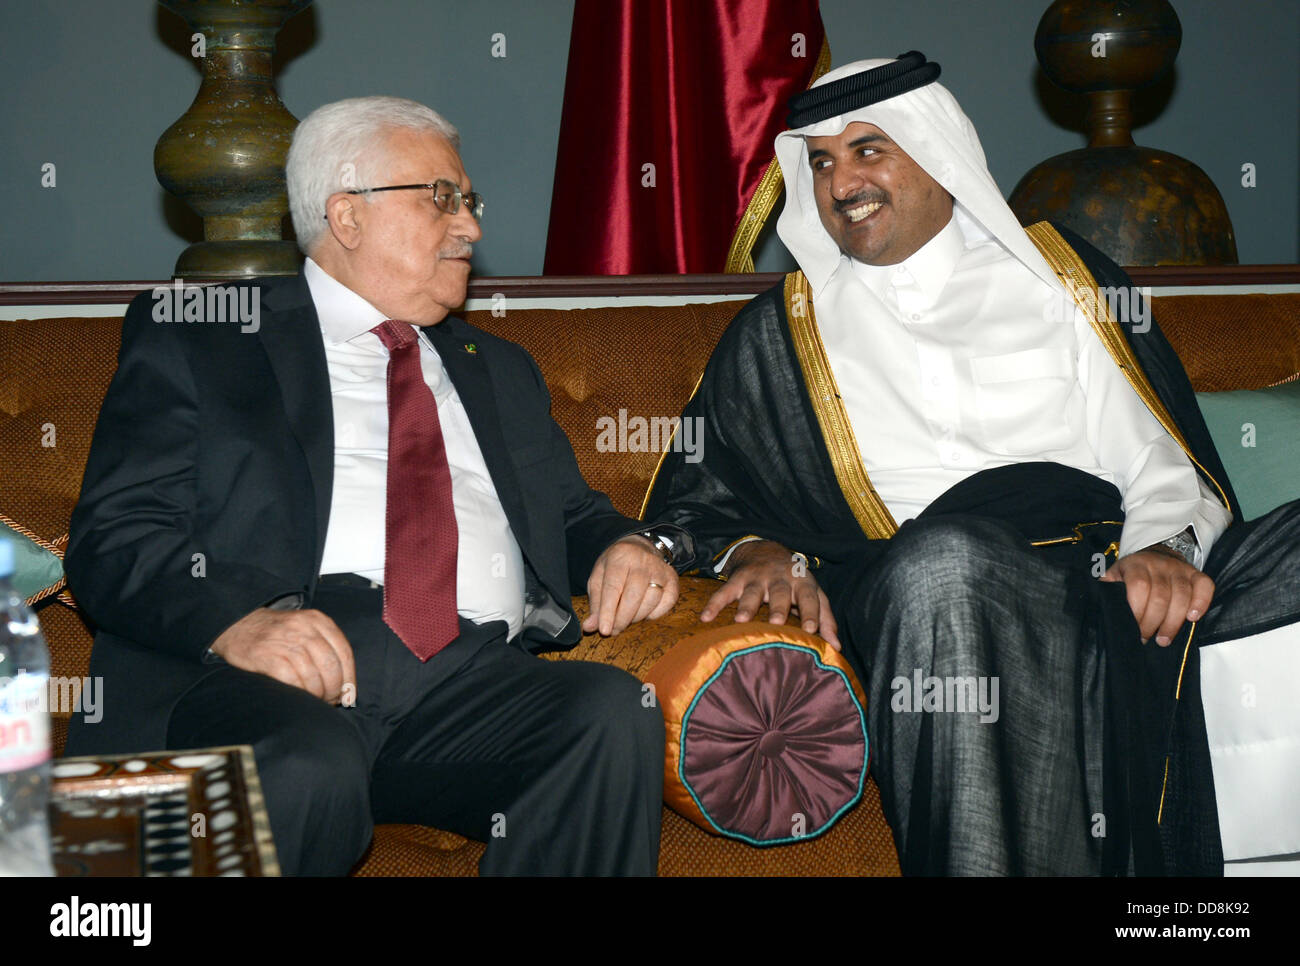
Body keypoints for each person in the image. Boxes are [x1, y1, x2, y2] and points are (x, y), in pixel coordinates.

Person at [645, 54, 1300, 875]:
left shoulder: (1060, 279)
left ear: (938, 152)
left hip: (1113, 575)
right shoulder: (783, 337)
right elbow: (699, 503)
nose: (842, 181)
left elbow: (1158, 455)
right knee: (948, 566)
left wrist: (1163, 550)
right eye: (821, 162)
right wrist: (760, 550)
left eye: (868, 149)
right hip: (934, 591)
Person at [64, 96, 693, 876]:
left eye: (470, 202)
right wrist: (237, 625)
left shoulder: (498, 369)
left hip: (466, 680)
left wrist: (623, 545)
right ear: (347, 215)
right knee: (308, 764)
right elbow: (115, 536)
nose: (471, 226)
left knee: (604, 713)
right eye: (442, 198)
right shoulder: (203, 336)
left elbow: (568, 516)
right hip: (266, 678)